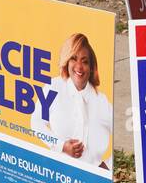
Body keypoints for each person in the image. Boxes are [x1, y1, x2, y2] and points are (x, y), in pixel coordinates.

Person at [33, 33, 113, 170]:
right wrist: (62, 145)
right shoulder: (53, 87)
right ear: (67, 61)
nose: (79, 67)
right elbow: (36, 122)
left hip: (91, 179)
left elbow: (130, 134)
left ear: (92, 67)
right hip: (56, 172)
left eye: (85, 61)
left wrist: (107, 166)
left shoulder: (101, 101)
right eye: (74, 59)